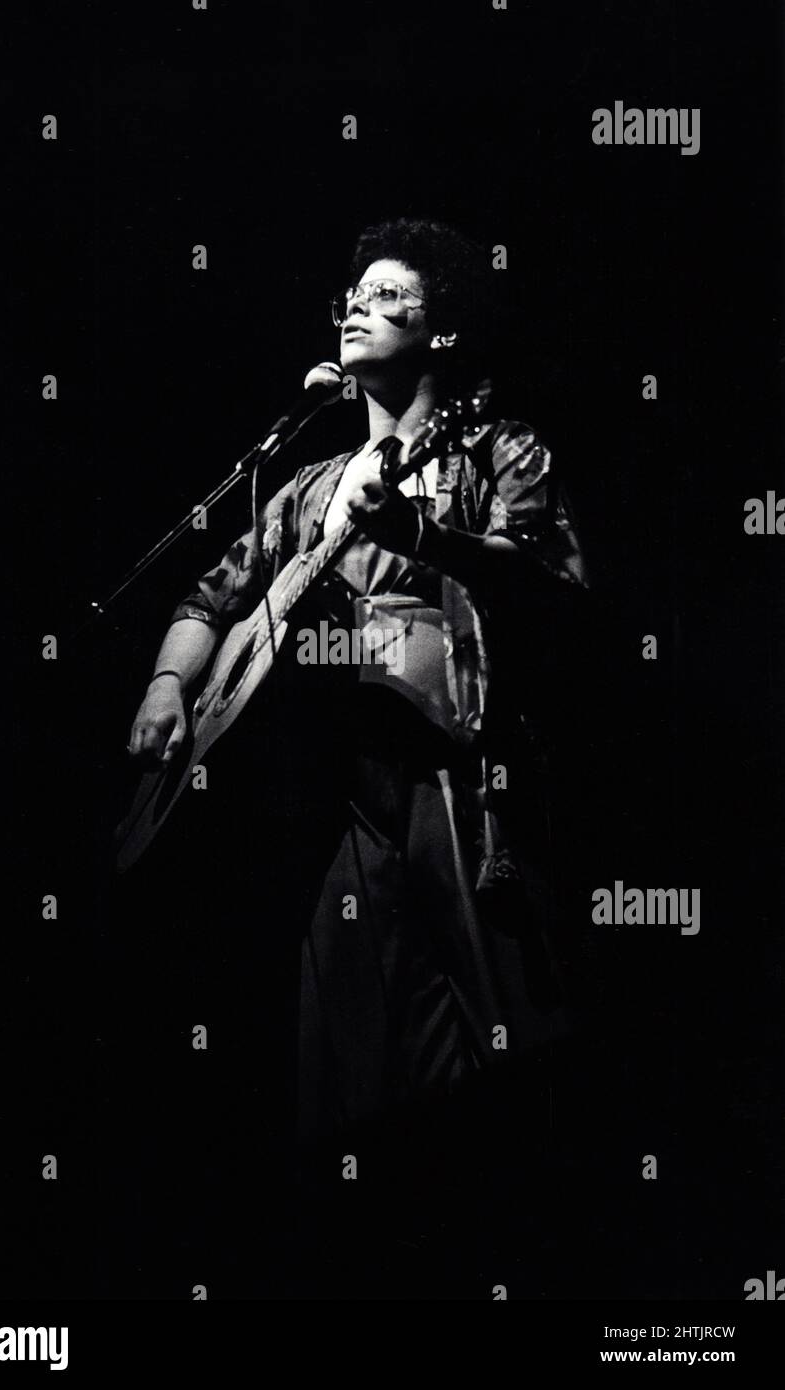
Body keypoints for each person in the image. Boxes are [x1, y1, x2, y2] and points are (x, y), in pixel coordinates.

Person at [127, 217, 588, 1150]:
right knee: (356, 1065)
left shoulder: (492, 448)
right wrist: (169, 686)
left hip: (455, 779)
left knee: (508, 1034)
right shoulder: (307, 485)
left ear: (440, 334)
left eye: (391, 299)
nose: (359, 311)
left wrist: (425, 540)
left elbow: (558, 593)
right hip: (335, 805)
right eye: (354, 297)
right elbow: (209, 599)